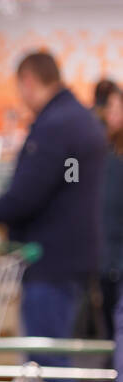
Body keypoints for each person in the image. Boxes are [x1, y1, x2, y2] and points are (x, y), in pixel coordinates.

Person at [0, 51, 107, 362]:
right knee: (55, 355)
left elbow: (24, 197)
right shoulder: (80, 118)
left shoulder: (54, 125)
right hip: (73, 257)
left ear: (28, 81)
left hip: (50, 260)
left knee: (47, 361)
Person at [99, 82, 123, 338]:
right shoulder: (103, 150)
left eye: (119, 108)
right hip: (106, 254)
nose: (112, 113)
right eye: (111, 108)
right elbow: (73, 174)